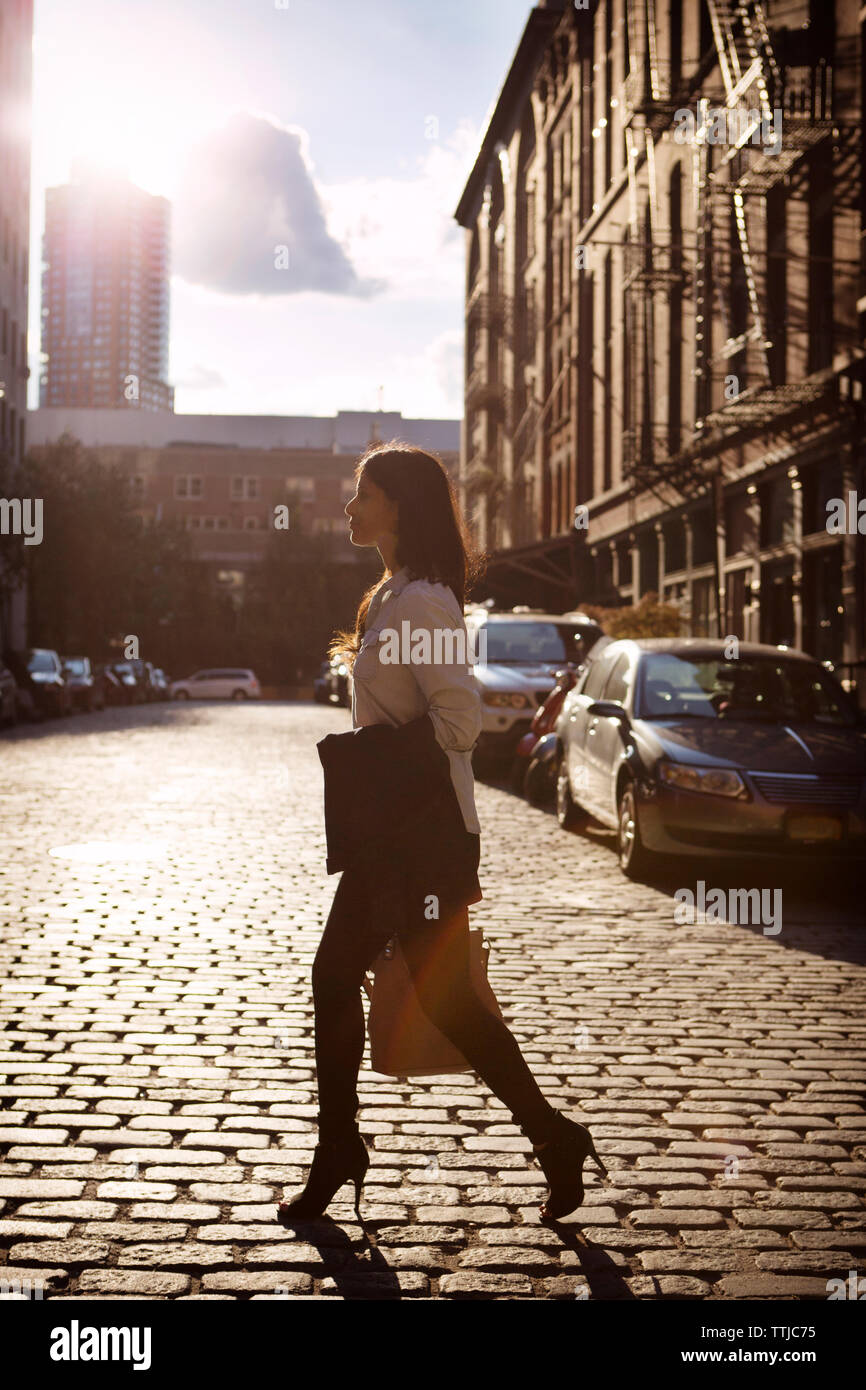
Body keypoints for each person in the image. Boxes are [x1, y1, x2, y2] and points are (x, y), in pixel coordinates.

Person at [277, 440, 606, 1225]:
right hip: (395, 834)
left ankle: (545, 1136)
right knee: (360, 982)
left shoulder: (424, 601)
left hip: (423, 838)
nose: (350, 507)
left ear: (400, 505)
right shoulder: (392, 593)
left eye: (365, 493)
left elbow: (458, 721)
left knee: (442, 998)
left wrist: (367, 758)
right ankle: (348, 1145)